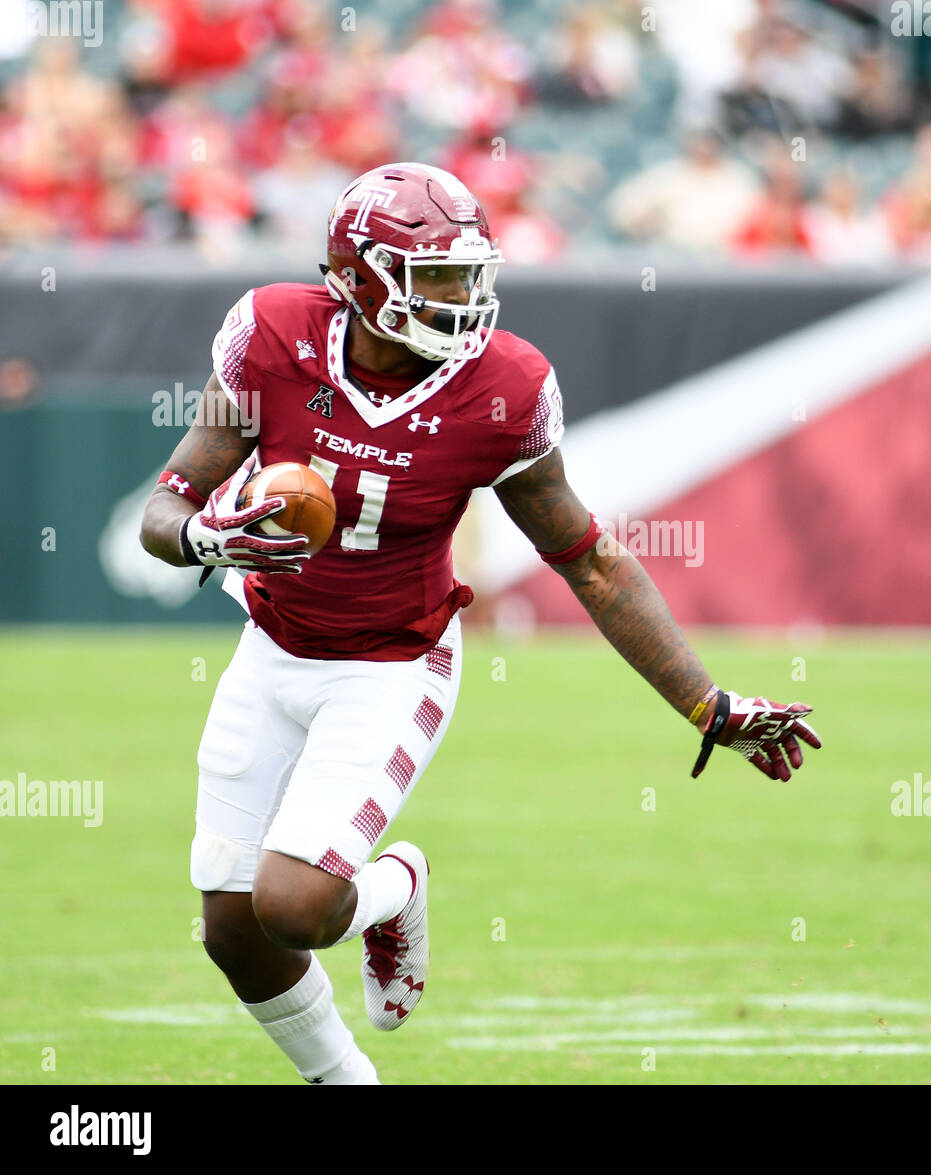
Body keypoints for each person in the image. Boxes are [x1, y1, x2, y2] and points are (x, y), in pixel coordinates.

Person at [138, 163, 821, 1084]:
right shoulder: (274, 334)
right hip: (272, 647)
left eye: (470, 276)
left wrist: (711, 705)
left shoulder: (503, 388)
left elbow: (590, 558)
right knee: (233, 931)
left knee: (294, 905)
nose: (463, 302)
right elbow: (164, 514)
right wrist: (206, 537)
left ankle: (394, 888)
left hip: (392, 665)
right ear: (359, 277)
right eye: (438, 280)